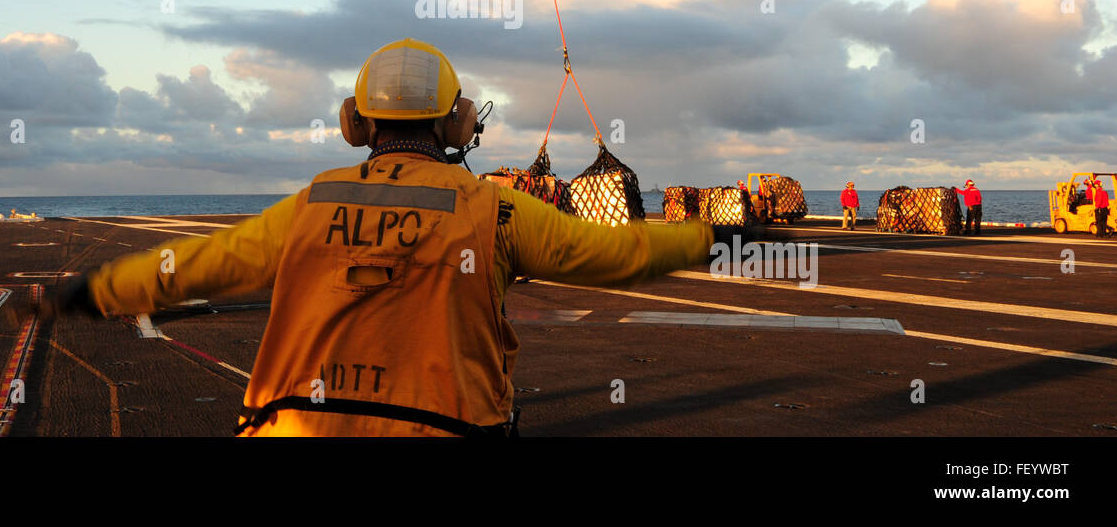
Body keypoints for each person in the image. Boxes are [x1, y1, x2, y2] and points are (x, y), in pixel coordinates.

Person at [42, 38, 722, 436]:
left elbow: (188, 268)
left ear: (356, 123)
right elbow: (622, 254)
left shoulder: (313, 203)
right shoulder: (495, 210)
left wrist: (87, 290)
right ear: (457, 126)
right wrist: (709, 235)